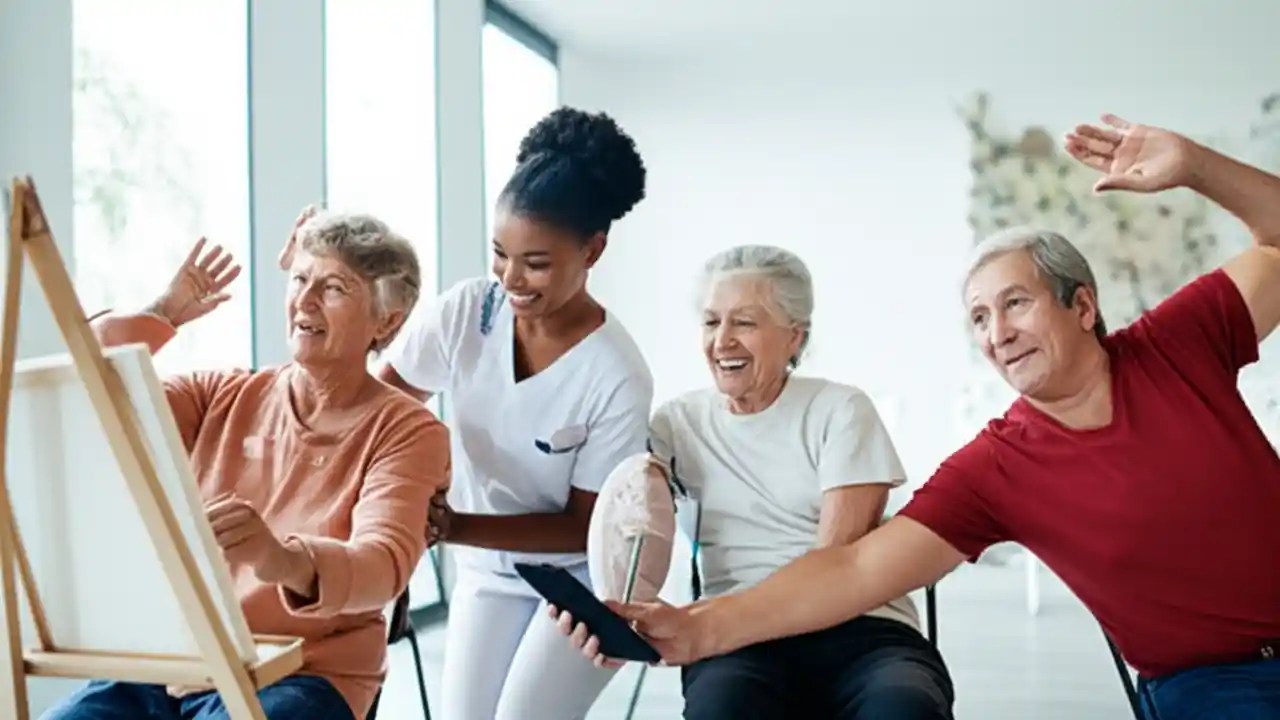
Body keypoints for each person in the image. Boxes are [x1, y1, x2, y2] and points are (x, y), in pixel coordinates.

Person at [583, 114, 1280, 720]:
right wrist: (701, 629)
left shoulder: (1177, 342)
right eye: (979, 317)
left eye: (1015, 303)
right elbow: (855, 570)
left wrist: (1194, 166)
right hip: (1217, 685)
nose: (997, 332)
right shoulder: (999, 467)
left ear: (1083, 306)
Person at [43, 210, 450, 720]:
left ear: (386, 321)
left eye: (334, 288)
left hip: (305, 674)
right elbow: (92, 394)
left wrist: (282, 559)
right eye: (300, 278)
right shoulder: (220, 395)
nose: (304, 300)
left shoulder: (408, 431)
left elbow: (381, 566)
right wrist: (164, 312)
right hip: (179, 664)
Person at [554, 245, 955, 719]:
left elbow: (837, 568)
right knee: (723, 709)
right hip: (736, 639)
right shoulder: (677, 424)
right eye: (711, 322)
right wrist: (616, 611)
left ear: (794, 337)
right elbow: (628, 516)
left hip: (861, 627)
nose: (722, 340)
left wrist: (698, 624)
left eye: (744, 322)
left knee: (904, 708)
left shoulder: (841, 411)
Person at [377, 106, 653, 720]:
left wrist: (452, 527)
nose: (511, 278)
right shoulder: (469, 311)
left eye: (536, 263)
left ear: (594, 250)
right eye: (500, 253)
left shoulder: (616, 373)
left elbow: (586, 527)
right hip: (487, 571)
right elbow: (379, 411)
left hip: (584, 579)